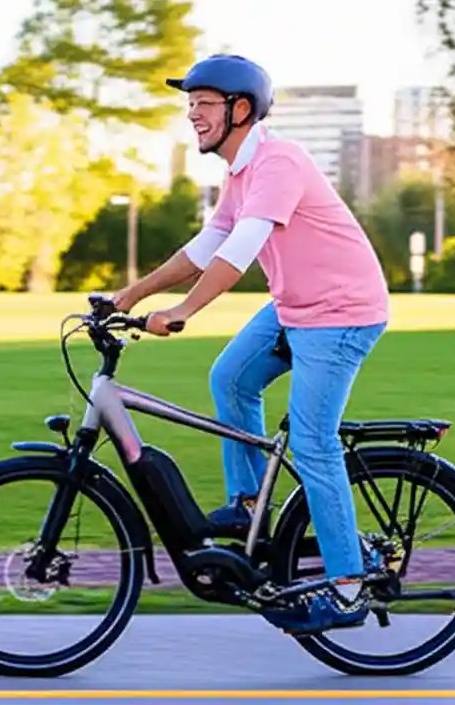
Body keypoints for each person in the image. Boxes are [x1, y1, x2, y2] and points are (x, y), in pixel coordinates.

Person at [110, 54, 393, 635]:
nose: (192, 114)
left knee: (313, 444)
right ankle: (246, 508)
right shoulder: (240, 173)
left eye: (204, 103)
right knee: (230, 379)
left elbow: (238, 253)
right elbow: (209, 241)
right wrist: (130, 294)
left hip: (341, 314)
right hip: (296, 308)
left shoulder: (280, 161)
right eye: (189, 104)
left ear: (241, 110)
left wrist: (184, 310)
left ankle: (346, 591)